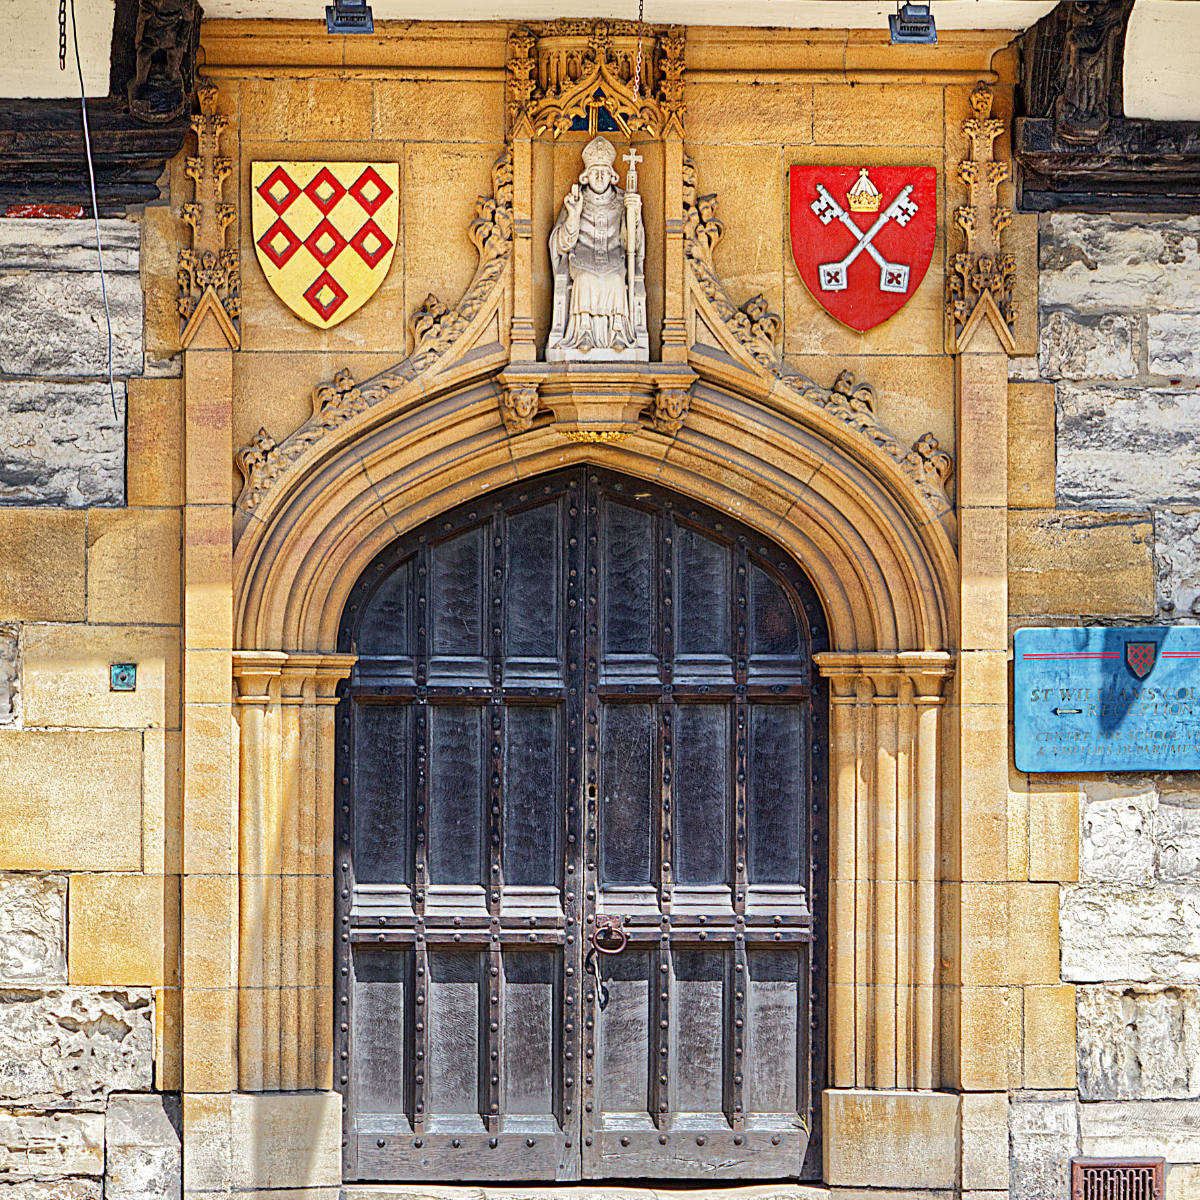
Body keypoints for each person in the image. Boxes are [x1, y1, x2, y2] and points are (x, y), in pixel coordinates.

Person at [547, 135, 646, 359]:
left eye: (603, 171)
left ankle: (619, 331)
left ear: (611, 175)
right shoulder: (576, 199)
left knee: (615, 279)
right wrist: (573, 215)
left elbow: (632, 244)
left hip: (614, 259)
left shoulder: (623, 199)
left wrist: (634, 215)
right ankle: (583, 332)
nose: (599, 177)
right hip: (582, 258)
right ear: (586, 176)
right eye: (594, 172)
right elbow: (562, 242)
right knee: (584, 278)